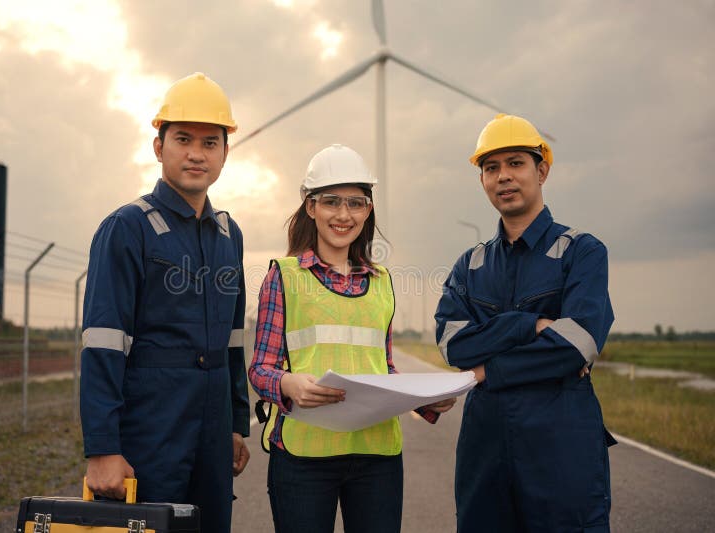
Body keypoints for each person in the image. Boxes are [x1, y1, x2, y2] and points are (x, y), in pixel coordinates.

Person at [249, 144, 456, 533]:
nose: (344, 215)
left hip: (377, 456)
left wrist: (425, 399)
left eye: (356, 203)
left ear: (368, 210)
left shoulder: (382, 283)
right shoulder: (285, 276)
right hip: (304, 457)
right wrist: (287, 383)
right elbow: (260, 368)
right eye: (331, 201)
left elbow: (384, 367)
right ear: (311, 207)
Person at [80, 72, 250, 532]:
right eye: (183, 139)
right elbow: (103, 343)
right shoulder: (127, 228)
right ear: (159, 148)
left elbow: (234, 339)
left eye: (210, 142)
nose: (197, 153)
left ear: (225, 153)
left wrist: (236, 422)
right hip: (151, 428)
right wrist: (102, 448)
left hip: (213, 429)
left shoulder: (228, 235)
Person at [435, 113, 616, 532]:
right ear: (481, 179)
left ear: (542, 170)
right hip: (485, 451)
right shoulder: (470, 264)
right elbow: (453, 344)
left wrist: (485, 370)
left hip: (561, 445)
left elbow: (576, 344)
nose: (504, 177)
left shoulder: (582, 252)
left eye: (516, 163)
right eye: (491, 167)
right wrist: (528, 326)